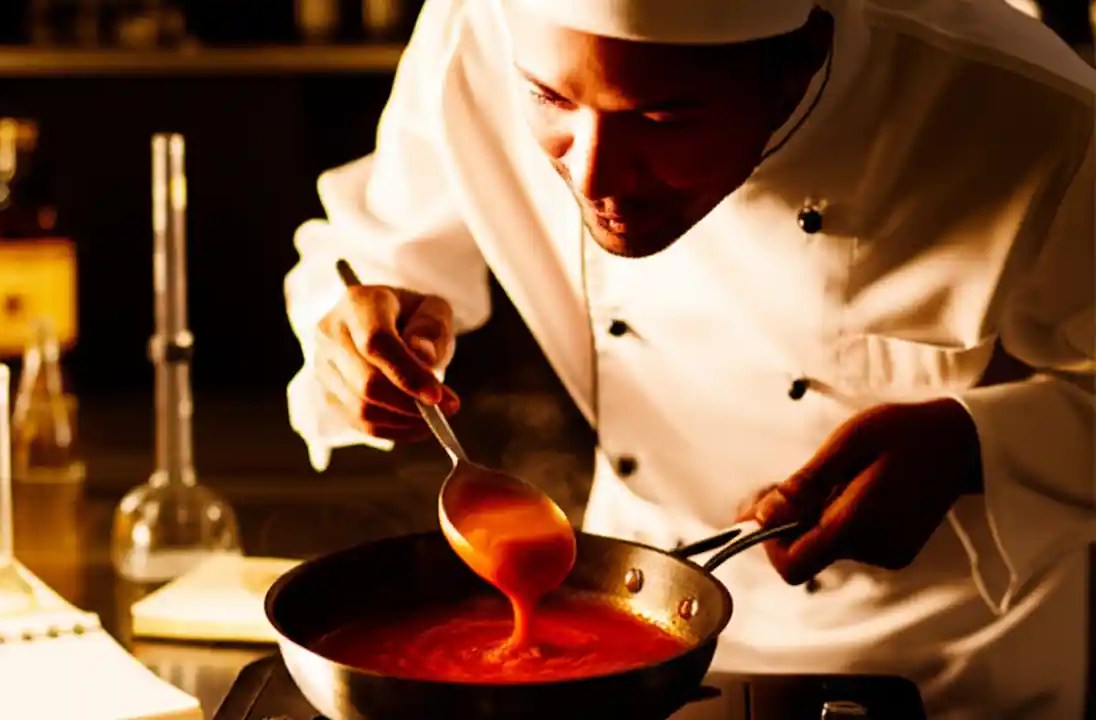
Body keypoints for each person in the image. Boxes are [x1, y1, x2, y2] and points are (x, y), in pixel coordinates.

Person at [283, 0, 1095, 717]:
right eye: (549, 98)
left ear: (797, 65)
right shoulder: (478, 26)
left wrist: (971, 448)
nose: (594, 175)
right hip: (630, 632)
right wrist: (353, 337)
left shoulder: (1025, 110)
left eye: (665, 118)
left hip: (939, 662)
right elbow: (370, 253)